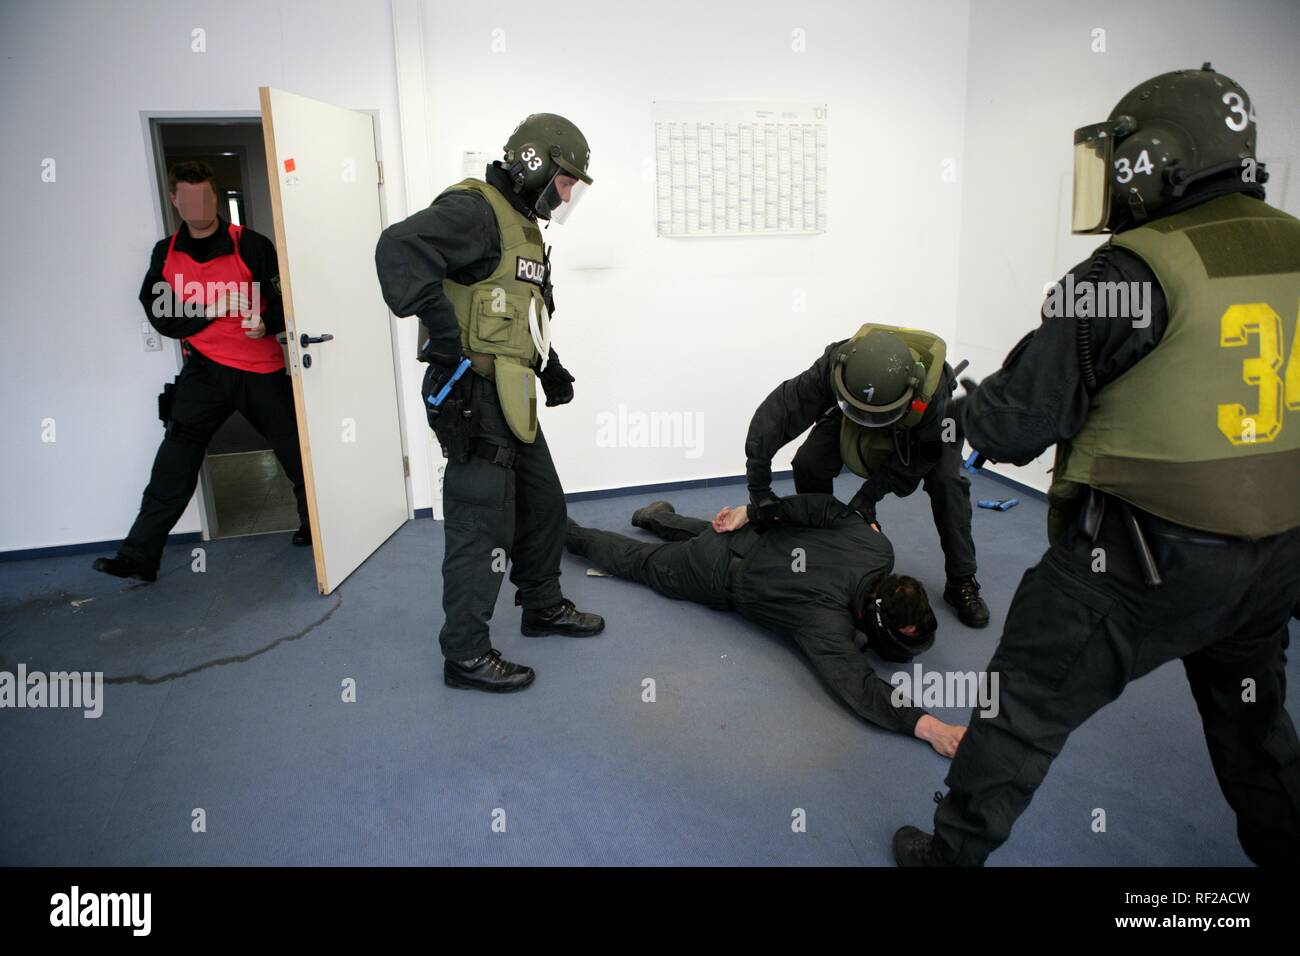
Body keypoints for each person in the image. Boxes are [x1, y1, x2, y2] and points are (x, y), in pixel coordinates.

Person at [895, 64, 1300, 867]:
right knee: (1255, 726)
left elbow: (1014, 426)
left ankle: (949, 858)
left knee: (1023, 709)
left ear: (1156, 157)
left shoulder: (1131, 272)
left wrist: (959, 410)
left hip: (1141, 560)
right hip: (1277, 557)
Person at [375, 113, 604, 694]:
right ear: (535, 164)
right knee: (482, 525)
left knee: (543, 502)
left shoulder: (524, 228)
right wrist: (443, 336)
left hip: (513, 392)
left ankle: (541, 605)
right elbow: (399, 246)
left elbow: (523, 311)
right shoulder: (475, 211)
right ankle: (466, 654)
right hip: (473, 393)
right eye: (565, 179)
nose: (567, 192)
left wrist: (550, 365)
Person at [565, 496, 968, 756]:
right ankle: (565, 532)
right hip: (710, 572)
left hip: (744, 530)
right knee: (639, 562)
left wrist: (753, 512)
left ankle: (658, 517)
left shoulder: (878, 547)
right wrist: (930, 727)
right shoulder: (825, 625)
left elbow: (822, 508)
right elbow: (861, 688)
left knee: (711, 530)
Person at [94, 160, 309, 584]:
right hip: (204, 372)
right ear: (175, 200)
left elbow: (290, 300)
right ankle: (139, 556)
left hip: (259, 368)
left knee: (295, 452)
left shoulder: (252, 245)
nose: (199, 206)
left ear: (214, 196)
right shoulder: (166, 254)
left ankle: (317, 530)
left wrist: (269, 323)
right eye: (189, 198)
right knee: (173, 461)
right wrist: (211, 309)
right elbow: (161, 316)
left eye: (206, 197)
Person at [744, 323, 990, 628]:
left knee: (948, 482)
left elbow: (922, 457)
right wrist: (759, 488)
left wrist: (867, 498)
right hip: (854, 409)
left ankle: (961, 581)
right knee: (809, 462)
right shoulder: (839, 364)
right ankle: (826, 548)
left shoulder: (933, 392)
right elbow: (780, 411)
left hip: (924, 432)